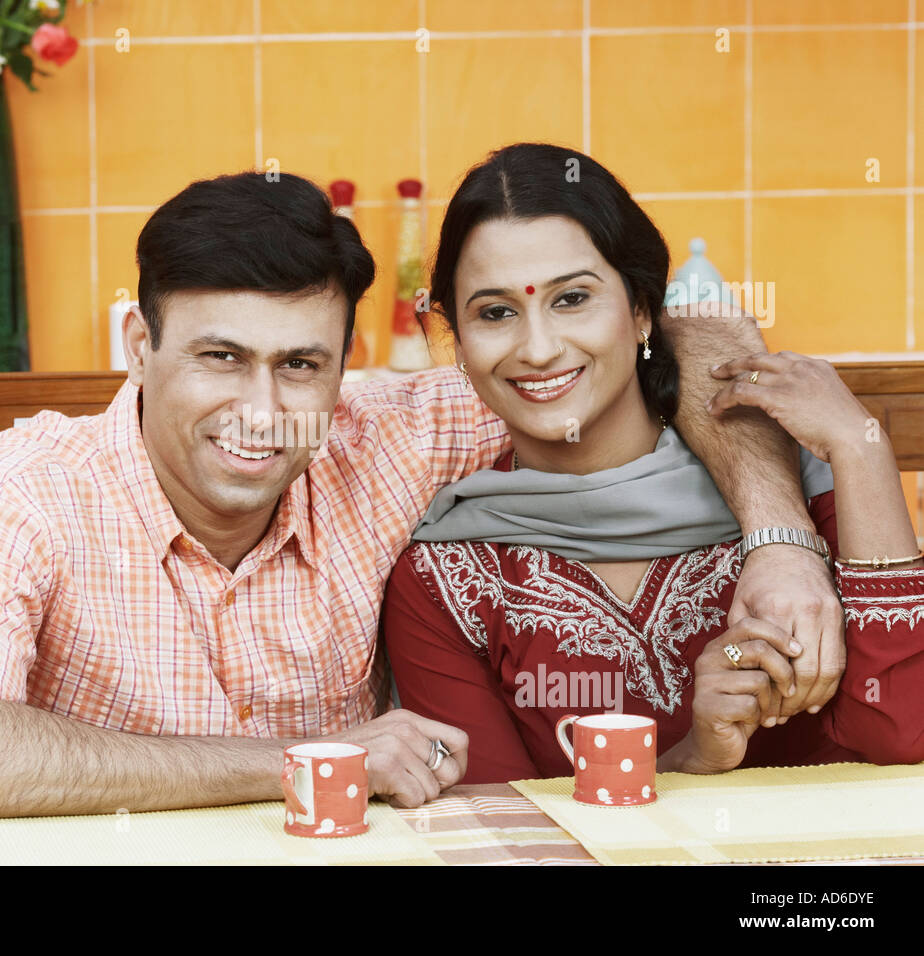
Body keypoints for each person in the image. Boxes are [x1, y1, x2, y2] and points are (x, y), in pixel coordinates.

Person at [0, 169, 845, 819]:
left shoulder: (385, 438)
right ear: (141, 346)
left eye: (301, 364)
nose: (262, 413)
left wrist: (779, 541)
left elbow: (686, 335)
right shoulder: (22, 489)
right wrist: (317, 757)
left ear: (345, 364)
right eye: (221, 357)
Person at [380, 143, 924, 784]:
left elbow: (902, 731)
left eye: (572, 299)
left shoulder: (793, 496)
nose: (539, 348)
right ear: (457, 341)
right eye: (496, 312)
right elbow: (502, 820)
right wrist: (688, 758)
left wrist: (863, 448)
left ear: (641, 308)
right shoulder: (444, 580)